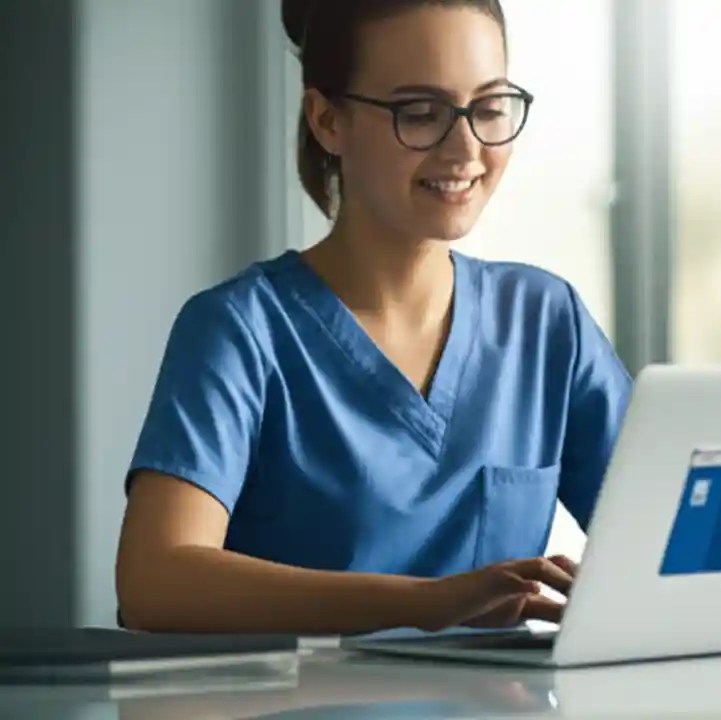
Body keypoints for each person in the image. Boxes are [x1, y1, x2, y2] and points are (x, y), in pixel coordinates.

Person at [115, 0, 631, 634]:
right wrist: (427, 605)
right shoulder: (242, 331)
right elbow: (155, 580)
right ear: (327, 121)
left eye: (489, 107)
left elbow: (671, 538)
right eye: (420, 112)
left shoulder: (547, 323)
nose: (466, 148)